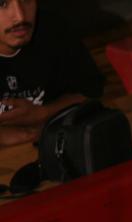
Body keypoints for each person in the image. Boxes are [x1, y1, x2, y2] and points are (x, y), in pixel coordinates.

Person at [0, 0, 103, 147]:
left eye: (26, 0)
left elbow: (91, 92)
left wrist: (41, 114)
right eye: (2, 4)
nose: (20, 16)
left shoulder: (52, 29)